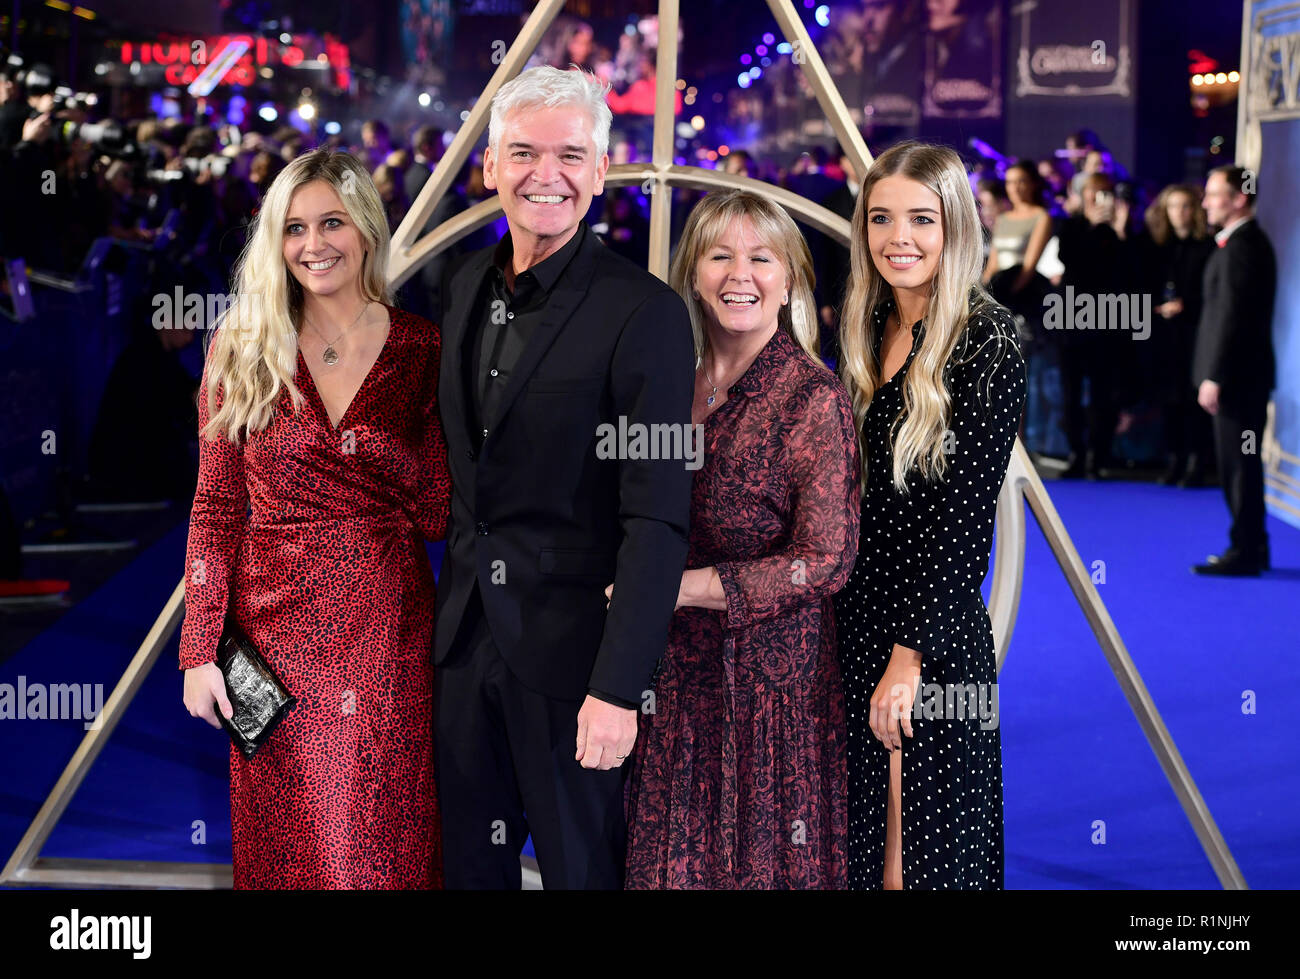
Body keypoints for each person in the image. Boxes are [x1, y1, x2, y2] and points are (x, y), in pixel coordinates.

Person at [432, 66, 695, 889]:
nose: (547, 175)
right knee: (471, 872)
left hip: (574, 664)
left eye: (570, 155)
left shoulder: (643, 311)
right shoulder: (463, 286)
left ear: (601, 172)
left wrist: (619, 687)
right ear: (490, 167)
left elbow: (657, 520)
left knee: (585, 875)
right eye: (524, 153)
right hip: (464, 645)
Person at [178, 148, 451, 888]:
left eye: (331, 221)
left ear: (365, 228)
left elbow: (436, 509)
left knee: (380, 837)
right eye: (294, 228)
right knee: (293, 842)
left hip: (386, 627)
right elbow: (216, 504)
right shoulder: (241, 346)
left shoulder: (422, 346)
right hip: (271, 639)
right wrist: (199, 647)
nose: (313, 244)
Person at [623, 190, 860, 888]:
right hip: (670, 683)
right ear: (692, 272)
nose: (740, 275)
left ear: (790, 280)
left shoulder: (811, 398)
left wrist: (684, 587)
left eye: (761, 258)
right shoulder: (667, 385)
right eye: (720, 255)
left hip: (769, 696)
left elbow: (826, 558)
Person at [834, 140, 1026, 889]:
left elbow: (963, 527)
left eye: (921, 218)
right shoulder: (864, 325)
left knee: (914, 867)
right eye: (881, 218)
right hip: (854, 625)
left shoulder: (987, 342)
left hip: (929, 642)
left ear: (956, 228)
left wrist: (908, 661)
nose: (898, 238)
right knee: (859, 850)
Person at [1192, 165, 1276, 576]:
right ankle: (1251, 546)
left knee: (1240, 465)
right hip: (1242, 381)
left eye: (1213, 193)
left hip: (1238, 383)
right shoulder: (1240, 244)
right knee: (1240, 464)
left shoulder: (1244, 247)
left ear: (1238, 198)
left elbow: (1233, 318)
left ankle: (1246, 550)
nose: (1205, 202)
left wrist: (1215, 376)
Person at [1139, 184, 1215, 486]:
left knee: (1192, 398)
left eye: (1185, 206)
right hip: (1166, 333)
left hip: (1195, 332)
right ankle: (1174, 459)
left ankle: (1196, 461)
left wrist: (1187, 304)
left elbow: (1213, 294)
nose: (1179, 213)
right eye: (1172, 206)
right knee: (1170, 397)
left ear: (1194, 210)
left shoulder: (1207, 247)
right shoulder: (1159, 247)